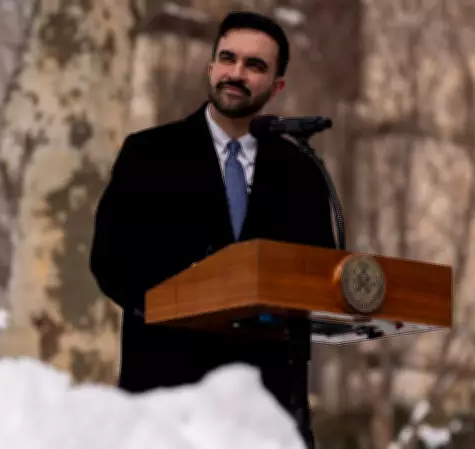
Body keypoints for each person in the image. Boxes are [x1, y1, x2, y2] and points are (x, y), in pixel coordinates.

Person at [90, 10, 335, 448]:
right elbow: (109, 260)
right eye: (228, 59)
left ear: (277, 86)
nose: (236, 74)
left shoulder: (302, 170)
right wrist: (187, 299)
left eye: (255, 65)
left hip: (264, 409)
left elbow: (317, 277)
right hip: (166, 398)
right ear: (211, 67)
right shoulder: (149, 154)